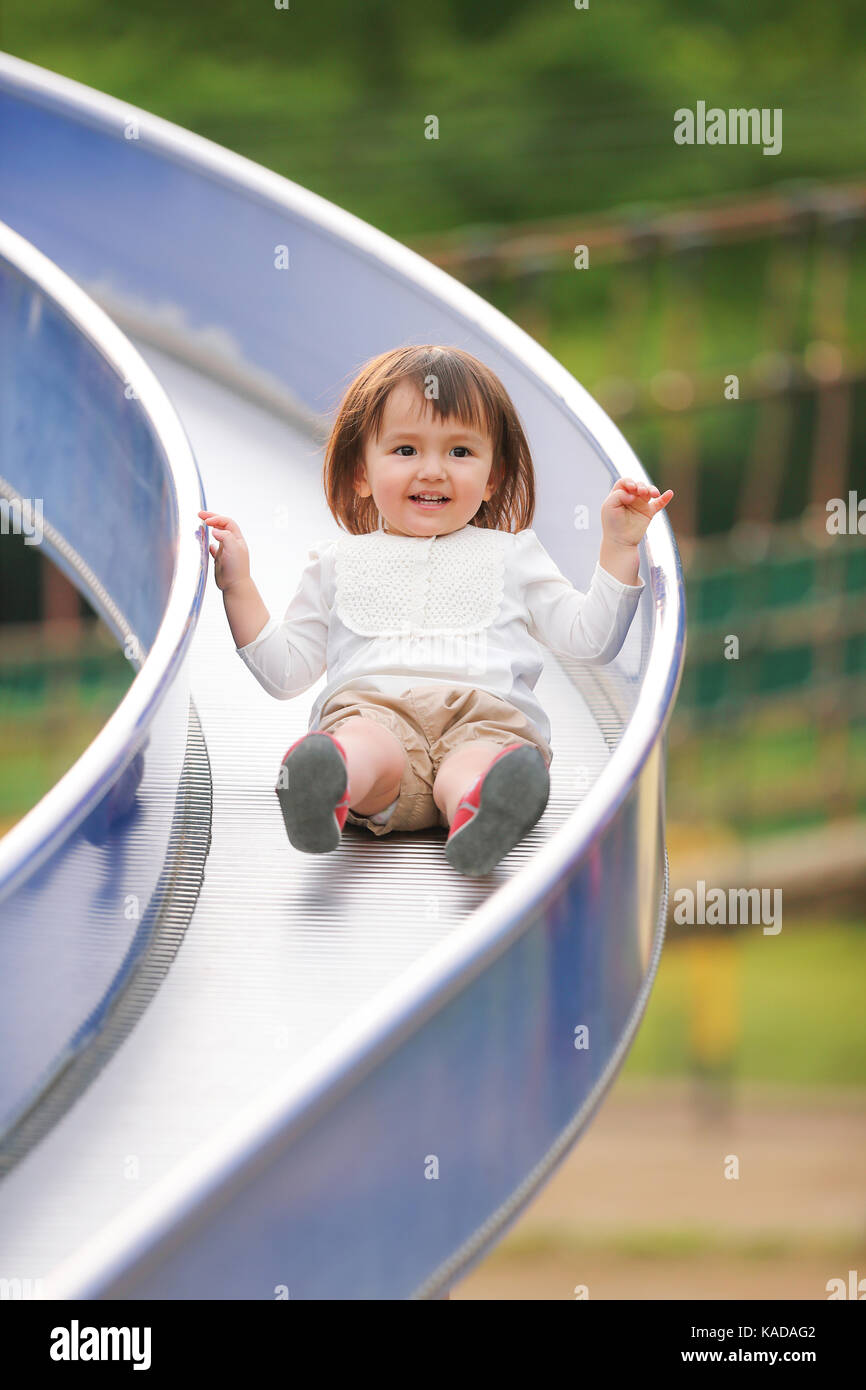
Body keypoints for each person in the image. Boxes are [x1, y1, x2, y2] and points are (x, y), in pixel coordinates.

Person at [199, 344, 673, 877]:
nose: (433, 471)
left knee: (477, 761)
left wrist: (620, 546)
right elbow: (286, 672)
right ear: (360, 471)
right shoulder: (337, 564)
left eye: (460, 453)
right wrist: (236, 584)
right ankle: (327, 784)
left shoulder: (514, 555)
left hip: (484, 718)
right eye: (405, 450)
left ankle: (482, 808)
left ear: (492, 477)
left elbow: (590, 639)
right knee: (362, 744)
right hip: (375, 711)